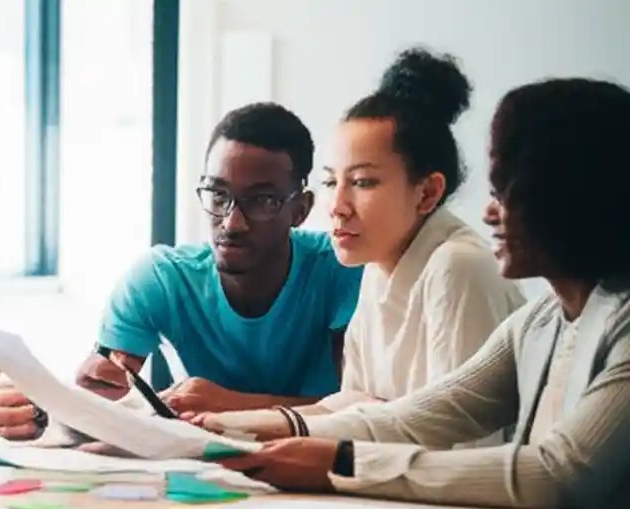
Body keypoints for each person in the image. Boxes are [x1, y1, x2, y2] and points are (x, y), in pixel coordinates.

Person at [218, 78, 630, 509]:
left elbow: (559, 470)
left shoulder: (621, 322)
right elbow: (432, 410)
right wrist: (231, 432)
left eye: (508, 192)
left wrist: (340, 464)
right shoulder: (545, 319)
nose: (490, 213)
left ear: (574, 194)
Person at [198, 48, 524, 440]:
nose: (336, 207)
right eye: (333, 181)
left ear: (426, 193)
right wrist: (225, 425)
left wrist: (257, 425)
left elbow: (460, 444)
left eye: (363, 182)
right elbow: (355, 403)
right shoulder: (378, 265)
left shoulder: (458, 267)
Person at [0, 102, 363, 440]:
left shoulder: (342, 268)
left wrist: (236, 406)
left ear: (300, 210)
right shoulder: (162, 278)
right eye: (218, 195)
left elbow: (369, 410)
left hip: (315, 467)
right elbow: (106, 384)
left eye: (262, 201)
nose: (232, 222)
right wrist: (78, 398)